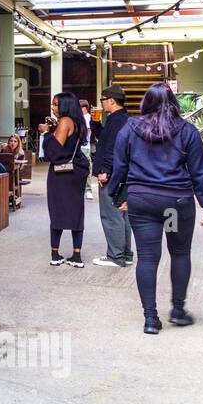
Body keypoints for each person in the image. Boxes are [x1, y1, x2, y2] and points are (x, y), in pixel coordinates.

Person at [109, 82, 203, 335]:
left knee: (147, 257)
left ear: (146, 102)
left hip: (143, 202)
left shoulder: (130, 129)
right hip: (175, 205)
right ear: (174, 103)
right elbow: (201, 171)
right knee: (179, 253)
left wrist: (116, 195)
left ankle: (150, 319)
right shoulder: (187, 131)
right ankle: (178, 311)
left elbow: (119, 166)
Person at [42, 92, 90, 268]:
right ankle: (76, 256)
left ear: (65, 106)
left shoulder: (64, 121)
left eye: (56, 105)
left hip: (62, 175)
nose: (53, 108)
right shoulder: (78, 122)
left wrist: (47, 134)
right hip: (77, 172)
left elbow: (53, 153)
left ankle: (55, 254)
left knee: (57, 211)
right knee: (76, 211)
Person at [90, 85, 133, 268]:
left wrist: (104, 170)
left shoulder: (116, 120)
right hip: (122, 174)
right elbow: (106, 139)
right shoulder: (122, 119)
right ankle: (125, 254)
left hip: (112, 175)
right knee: (122, 214)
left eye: (103, 100)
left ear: (111, 100)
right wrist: (96, 124)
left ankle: (115, 255)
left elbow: (112, 147)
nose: (101, 103)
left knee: (111, 214)